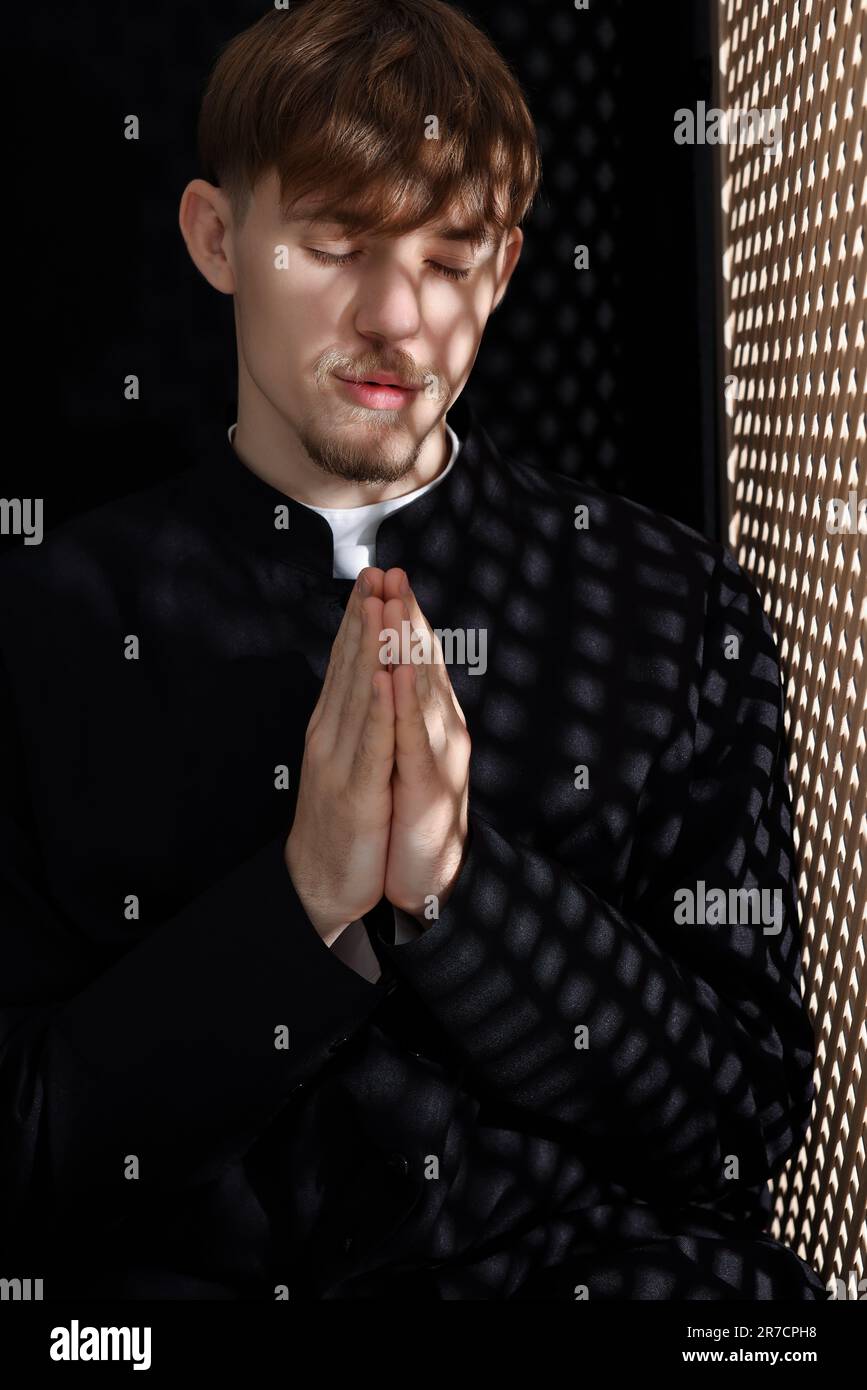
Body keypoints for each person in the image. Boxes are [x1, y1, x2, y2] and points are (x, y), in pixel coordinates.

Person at [0, 0, 826, 1300]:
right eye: (335, 244)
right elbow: (27, 1153)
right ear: (220, 238)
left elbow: (741, 1130)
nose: (396, 318)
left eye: (447, 263)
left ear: (502, 272)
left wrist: (458, 885)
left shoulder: (672, 606)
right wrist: (303, 902)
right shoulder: (42, 626)